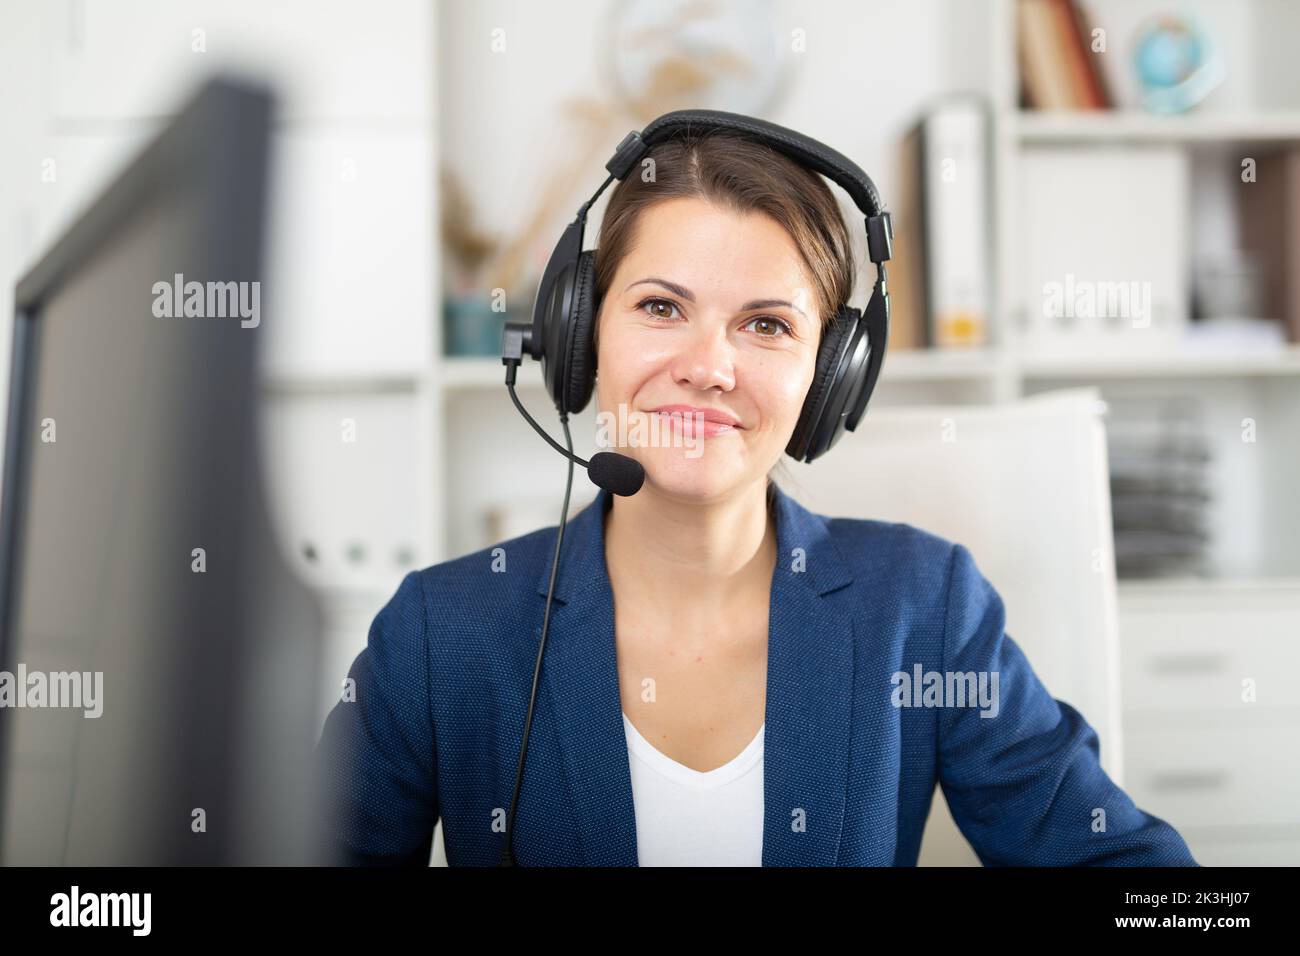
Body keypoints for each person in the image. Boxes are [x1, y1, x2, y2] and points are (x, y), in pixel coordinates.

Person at [315, 127, 1197, 867]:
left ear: (830, 378)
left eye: (766, 324)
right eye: (661, 307)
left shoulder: (924, 608)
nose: (708, 365)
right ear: (577, 332)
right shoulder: (442, 633)